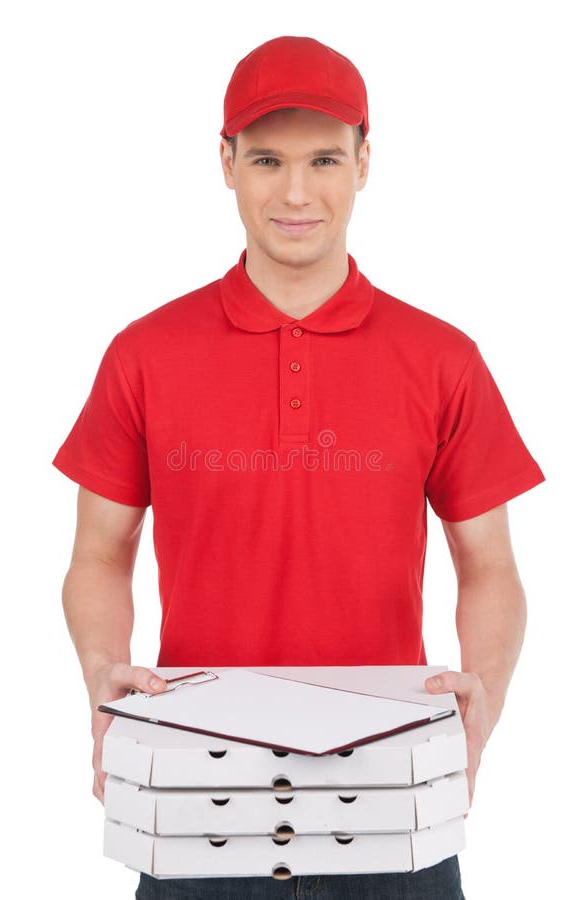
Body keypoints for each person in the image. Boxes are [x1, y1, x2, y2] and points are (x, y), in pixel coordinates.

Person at [52, 34, 545, 900]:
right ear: (227, 163)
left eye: (324, 158)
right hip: (197, 793)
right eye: (267, 159)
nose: (295, 192)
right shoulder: (143, 354)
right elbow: (98, 554)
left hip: (397, 795)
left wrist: (484, 706)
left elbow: (491, 565)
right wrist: (103, 675)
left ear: (364, 162)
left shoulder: (442, 359)